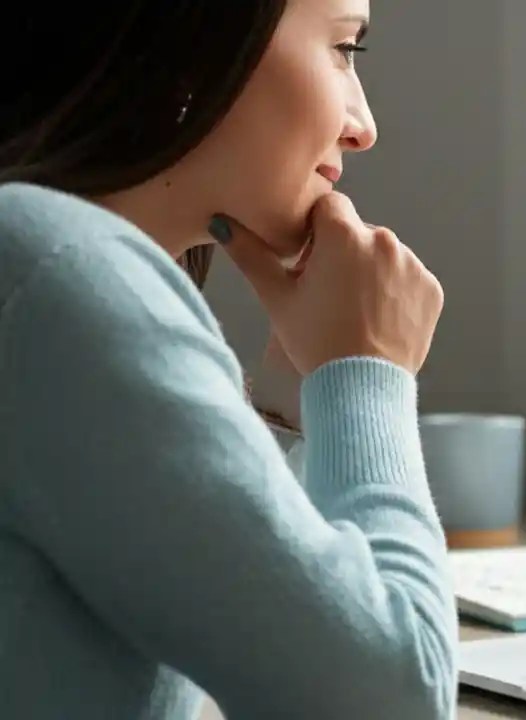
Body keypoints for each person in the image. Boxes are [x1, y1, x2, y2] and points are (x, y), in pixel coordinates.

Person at [0, 2, 457, 718]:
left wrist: (286, 406)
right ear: (193, 44)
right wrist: (369, 375)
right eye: (344, 48)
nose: (362, 126)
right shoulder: (52, 266)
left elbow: (241, 622)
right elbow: (394, 697)